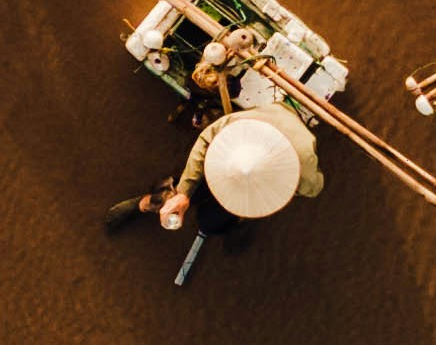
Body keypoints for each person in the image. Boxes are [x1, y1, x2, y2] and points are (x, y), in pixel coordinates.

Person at [106, 100, 321, 244]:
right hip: (227, 167)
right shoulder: (243, 123)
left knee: (210, 222)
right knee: (171, 194)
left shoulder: (304, 159)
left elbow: (313, 187)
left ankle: (236, 219)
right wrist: (183, 192)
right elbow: (207, 137)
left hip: (250, 190)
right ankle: (143, 204)